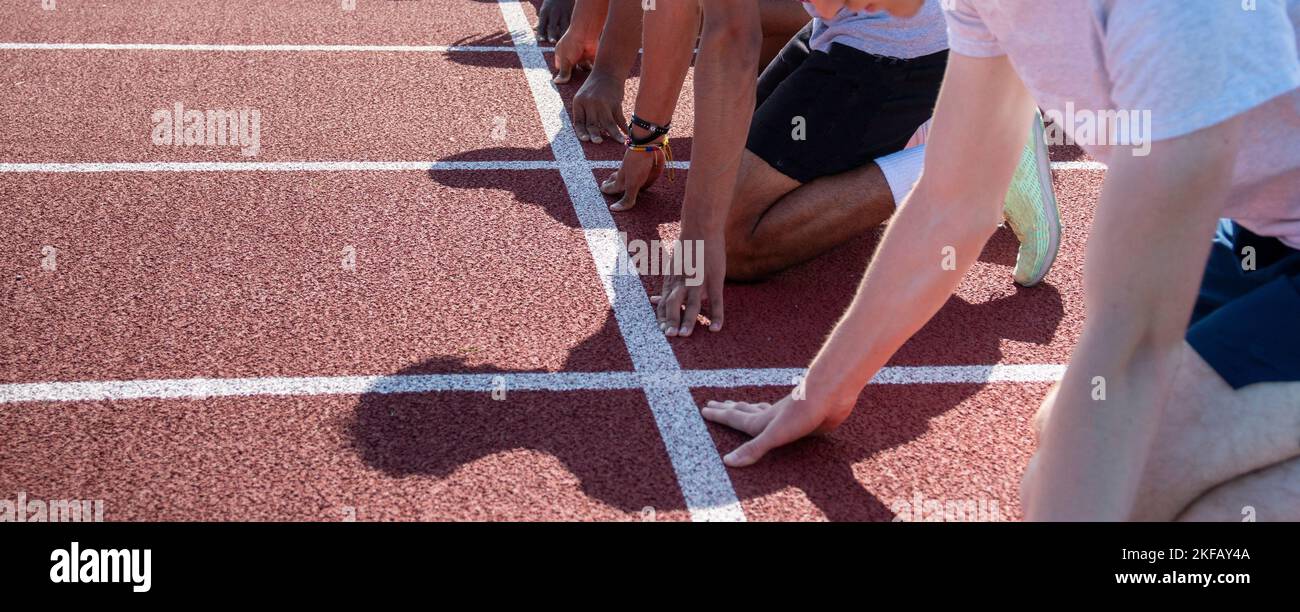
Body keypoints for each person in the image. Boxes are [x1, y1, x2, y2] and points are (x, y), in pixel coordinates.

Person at [704, 0, 1300, 522]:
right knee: (1065, 460)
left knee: (1170, 505)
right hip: (1266, 232)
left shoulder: (1170, 14)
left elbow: (1136, 338)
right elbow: (951, 203)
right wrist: (820, 392)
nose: (823, 14)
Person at [598, 0, 1060, 339]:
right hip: (850, 30)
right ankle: (938, 126)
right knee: (720, 180)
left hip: (905, 48)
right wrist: (647, 135)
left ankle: (980, 148)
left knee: (734, 240)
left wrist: (697, 237)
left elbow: (732, 40)